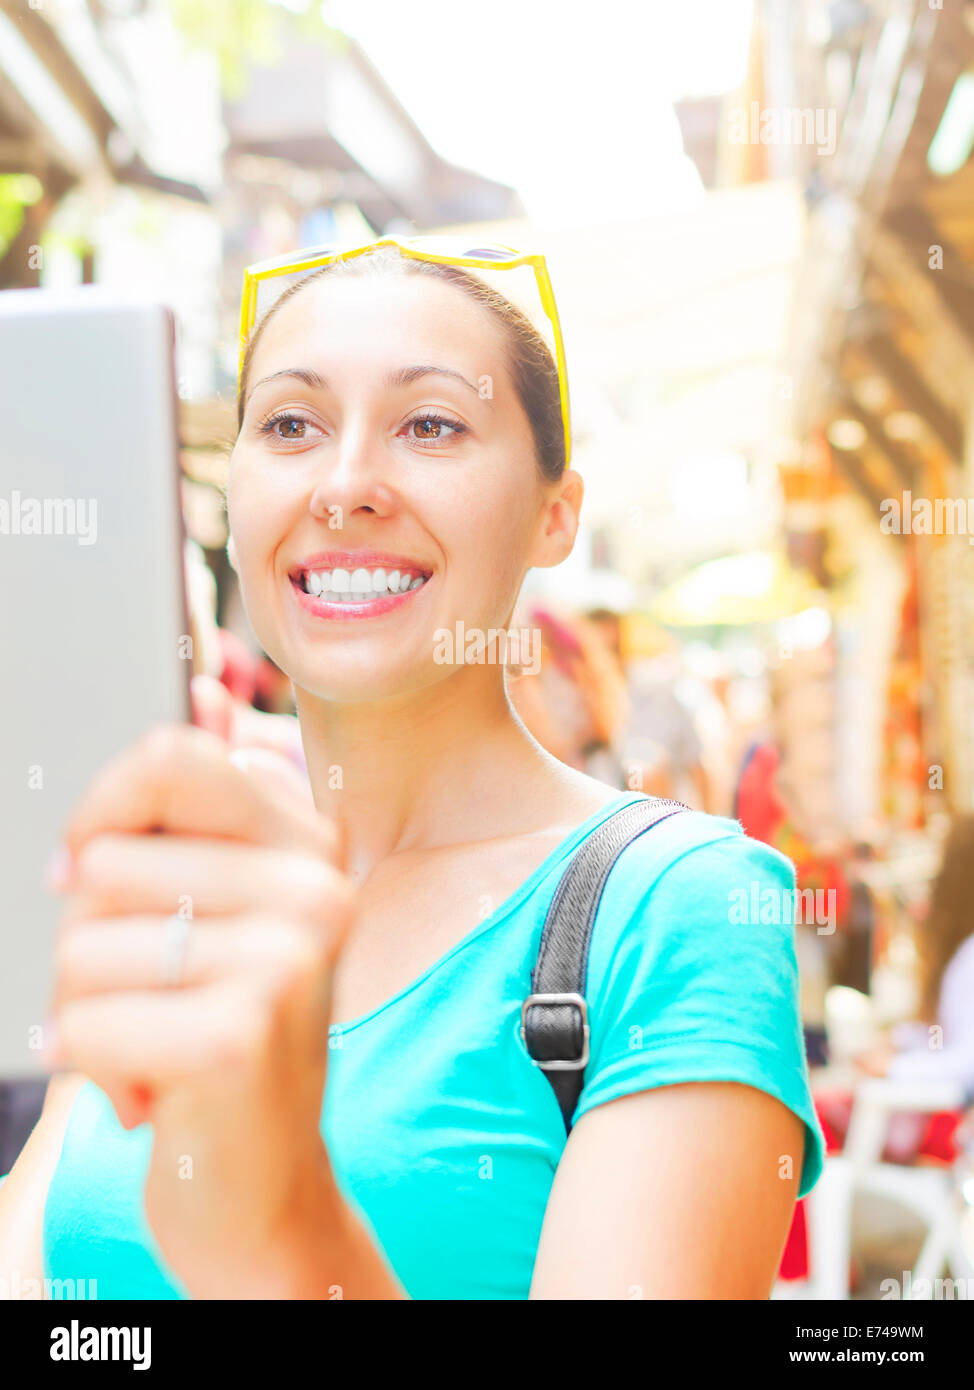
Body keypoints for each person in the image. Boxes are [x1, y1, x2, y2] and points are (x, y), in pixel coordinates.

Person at [0, 238, 823, 1300]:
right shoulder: (175, 878)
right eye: (290, 424)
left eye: (430, 424)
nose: (345, 486)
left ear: (553, 511)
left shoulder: (677, 910)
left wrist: (280, 1223)